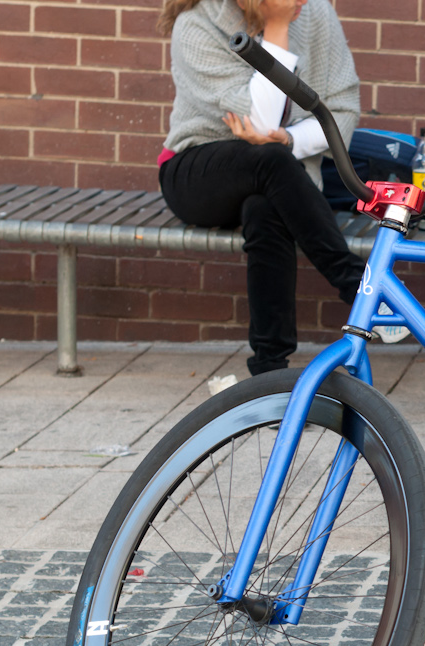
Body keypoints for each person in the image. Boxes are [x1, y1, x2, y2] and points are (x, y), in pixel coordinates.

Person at [157, 0, 363, 376]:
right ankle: (357, 284)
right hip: (197, 171)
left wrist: (289, 139)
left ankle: (269, 368)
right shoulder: (195, 25)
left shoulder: (316, 13)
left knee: (265, 207)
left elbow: (343, 110)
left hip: (280, 177)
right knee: (270, 161)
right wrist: (277, 28)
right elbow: (260, 119)